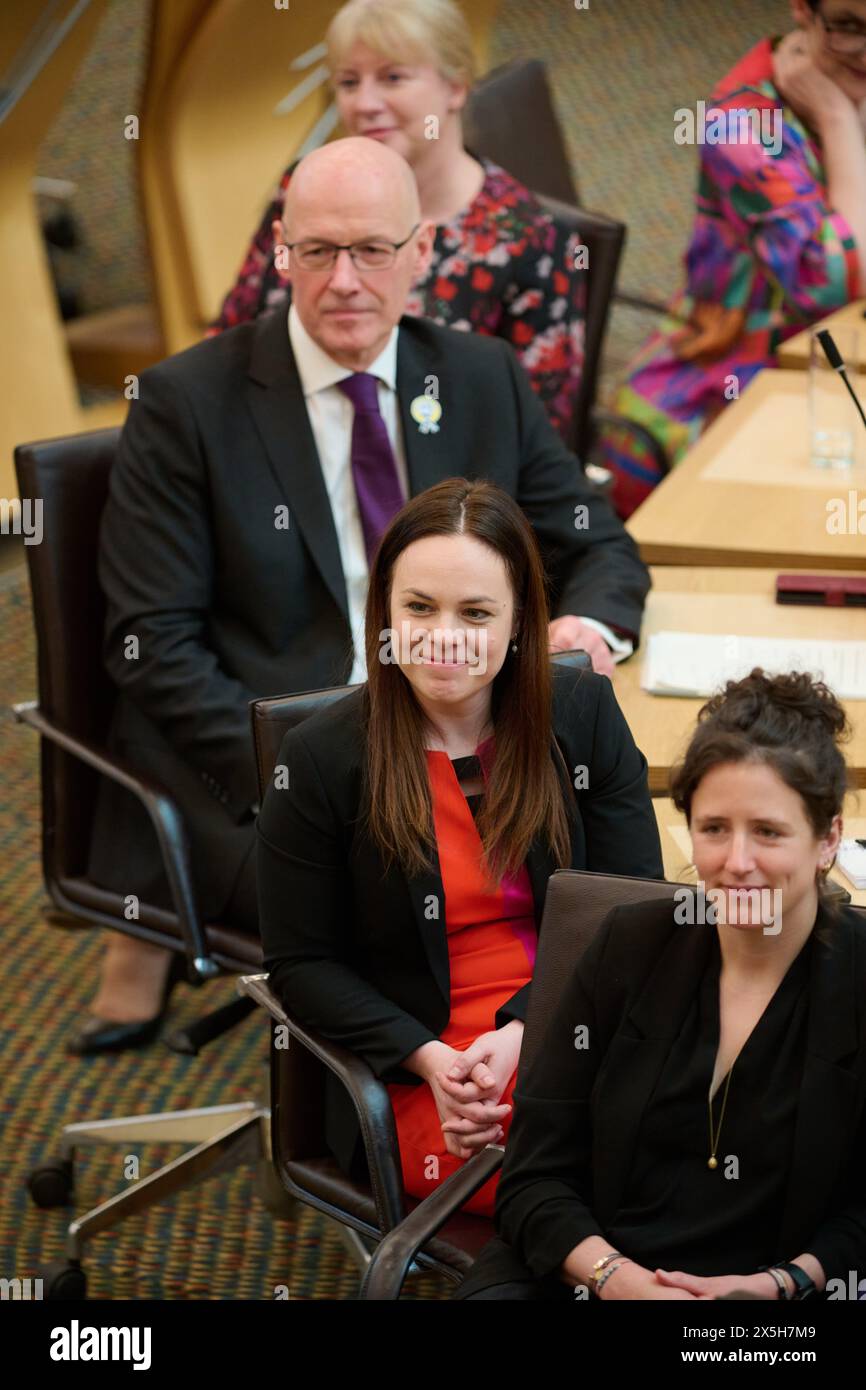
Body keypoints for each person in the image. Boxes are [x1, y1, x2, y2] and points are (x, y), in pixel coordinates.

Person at [78, 135, 650, 1053]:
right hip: (287, 768)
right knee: (441, 920)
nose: (345, 280)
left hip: (470, 738)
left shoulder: (476, 377)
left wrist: (584, 627)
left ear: (419, 254)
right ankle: (428, 1110)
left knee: (619, 868)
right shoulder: (189, 404)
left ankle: (530, 1083)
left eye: (373, 251)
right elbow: (154, 646)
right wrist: (321, 773)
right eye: (318, 251)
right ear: (282, 253)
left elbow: (598, 545)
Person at [257, 477, 663, 1212]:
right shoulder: (321, 759)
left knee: (722, 1135)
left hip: (584, 1007)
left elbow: (633, 908)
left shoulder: (581, 712)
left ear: (518, 623)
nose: (443, 636)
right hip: (425, 1065)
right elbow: (301, 964)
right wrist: (435, 1063)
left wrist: (525, 1030)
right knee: (588, 1178)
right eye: (418, 607)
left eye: (475, 613)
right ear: (383, 610)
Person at [455, 669, 866, 1300]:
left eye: (769, 832)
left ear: (828, 838)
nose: (737, 862)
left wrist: (783, 1284)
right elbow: (535, 1177)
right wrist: (617, 1281)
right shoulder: (630, 945)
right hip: (590, 1275)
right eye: (714, 828)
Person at [210, 0, 586, 443]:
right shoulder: (306, 189)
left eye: (392, 78)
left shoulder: (529, 240)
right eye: (348, 82)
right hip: (281, 449)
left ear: (456, 88)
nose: (365, 103)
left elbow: (537, 436)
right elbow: (228, 341)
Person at [599, 0, 866, 517]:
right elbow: (838, 286)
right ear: (801, 11)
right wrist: (840, 123)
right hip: (734, 378)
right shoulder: (737, 125)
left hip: (831, 365)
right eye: (849, 27)